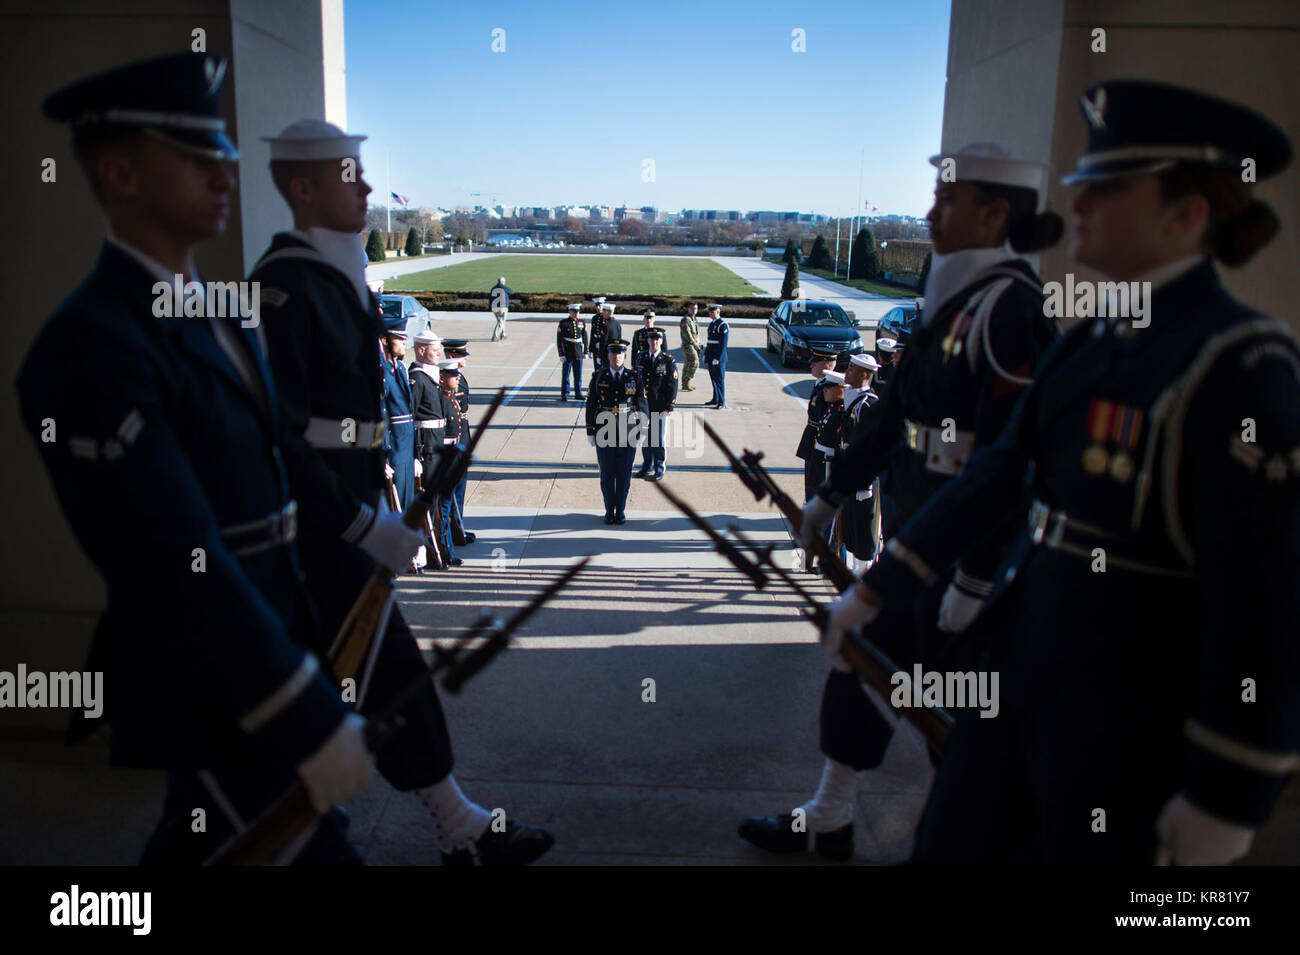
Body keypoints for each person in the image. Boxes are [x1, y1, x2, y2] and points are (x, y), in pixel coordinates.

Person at [823, 81, 1299, 865]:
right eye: (1081, 181)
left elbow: (1268, 607)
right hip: (1030, 662)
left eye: (1106, 187)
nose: (1076, 199)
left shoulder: (1239, 362)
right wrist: (878, 588)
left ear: (1186, 215)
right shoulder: (1089, 342)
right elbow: (997, 475)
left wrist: (1229, 793)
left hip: (1132, 707)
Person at [17, 53, 365, 864]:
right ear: (121, 174)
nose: (227, 172)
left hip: (276, 639)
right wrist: (299, 707)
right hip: (207, 672)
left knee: (212, 843)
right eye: (196, 155)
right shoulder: (88, 348)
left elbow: (275, 460)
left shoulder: (223, 312)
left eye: (227, 154)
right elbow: (174, 557)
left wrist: (356, 531)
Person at [740, 141, 1064, 860]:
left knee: (968, 726)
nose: (929, 213)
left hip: (972, 565)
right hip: (916, 546)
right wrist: (833, 488)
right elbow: (893, 417)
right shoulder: (952, 299)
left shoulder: (1013, 313)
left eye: (947, 201)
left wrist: (977, 575)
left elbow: (1016, 464)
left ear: (994, 212)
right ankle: (829, 814)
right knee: (863, 672)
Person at [251, 120, 551, 864]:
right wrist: (360, 524)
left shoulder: (328, 273)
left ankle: (457, 826)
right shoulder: (282, 286)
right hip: (316, 537)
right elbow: (282, 438)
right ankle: (316, 830)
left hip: (348, 519)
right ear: (303, 189)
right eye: (348, 174)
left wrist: (376, 508)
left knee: (382, 674)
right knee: (333, 688)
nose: (367, 187)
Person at [586, 339, 648, 524]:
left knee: (623, 474)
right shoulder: (599, 376)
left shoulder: (634, 376)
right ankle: (608, 510)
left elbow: (642, 403)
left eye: (620, 353)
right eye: (613, 352)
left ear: (625, 356)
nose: (617, 356)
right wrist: (590, 431)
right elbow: (590, 405)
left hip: (628, 430)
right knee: (606, 474)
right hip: (604, 431)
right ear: (608, 355)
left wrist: (643, 430)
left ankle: (620, 511)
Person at [408, 330, 450, 570]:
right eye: (435, 351)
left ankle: (435, 549)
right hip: (426, 447)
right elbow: (410, 418)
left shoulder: (429, 376)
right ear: (421, 350)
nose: (439, 355)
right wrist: (415, 454)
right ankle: (424, 551)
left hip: (435, 443)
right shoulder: (417, 378)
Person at [839, 354, 883, 572]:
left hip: (863, 477)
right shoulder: (850, 396)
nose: (847, 371)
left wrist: (866, 483)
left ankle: (863, 569)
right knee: (851, 522)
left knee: (864, 523)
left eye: (852, 369)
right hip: (850, 469)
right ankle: (855, 565)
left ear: (864, 374)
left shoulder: (868, 405)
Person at [442, 338, 476, 547]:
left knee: (461, 486)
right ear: (452, 356)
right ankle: (450, 532)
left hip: (463, 435)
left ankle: (458, 528)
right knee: (452, 488)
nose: (466, 358)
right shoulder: (445, 379)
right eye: (462, 354)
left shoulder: (459, 377)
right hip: (452, 439)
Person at [635, 328, 679, 481]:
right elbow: (636, 382)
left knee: (658, 439)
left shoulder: (668, 360)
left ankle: (659, 468)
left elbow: (672, 384)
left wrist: (670, 405)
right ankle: (647, 466)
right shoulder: (640, 358)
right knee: (646, 439)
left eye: (657, 339)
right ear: (647, 340)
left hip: (660, 406)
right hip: (644, 406)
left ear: (661, 341)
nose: (654, 342)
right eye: (651, 339)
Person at [557, 303, 587, 402]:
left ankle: (578, 393)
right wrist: (561, 354)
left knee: (578, 375)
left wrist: (585, 351)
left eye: (578, 312)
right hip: (568, 352)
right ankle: (565, 394)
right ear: (569, 312)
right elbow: (560, 340)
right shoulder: (563, 323)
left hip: (578, 352)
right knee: (566, 374)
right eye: (574, 312)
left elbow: (585, 336)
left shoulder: (582, 322)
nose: (576, 314)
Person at [702, 304, 730, 409]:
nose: (710, 314)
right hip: (711, 356)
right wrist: (705, 354)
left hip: (718, 358)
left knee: (719, 380)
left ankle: (721, 402)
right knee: (713, 379)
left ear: (718, 312)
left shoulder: (722, 325)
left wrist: (718, 358)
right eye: (709, 312)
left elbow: (723, 345)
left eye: (712, 312)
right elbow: (709, 342)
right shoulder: (712, 324)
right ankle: (715, 399)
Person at [679, 301, 701, 391]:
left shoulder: (694, 319)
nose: (694, 310)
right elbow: (687, 334)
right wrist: (694, 343)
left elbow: (696, 333)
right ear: (688, 309)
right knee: (695, 362)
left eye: (695, 308)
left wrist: (698, 342)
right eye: (692, 308)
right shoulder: (685, 320)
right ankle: (687, 381)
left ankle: (685, 384)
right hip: (688, 345)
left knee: (688, 363)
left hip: (693, 344)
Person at [489, 275, 512, 342]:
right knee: (501, 322)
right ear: (503, 282)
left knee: (501, 321)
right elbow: (511, 291)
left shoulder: (493, 288)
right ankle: (495, 336)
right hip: (503, 307)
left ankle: (503, 334)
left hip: (494, 307)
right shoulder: (504, 288)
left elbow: (490, 298)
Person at [589, 296, 609, 370]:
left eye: (600, 305)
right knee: (596, 369)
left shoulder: (606, 318)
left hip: (603, 346)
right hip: (595, 347)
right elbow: (592, 333)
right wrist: (591, 348)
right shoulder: (594, 318)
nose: (598, 307)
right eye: (596, 305)